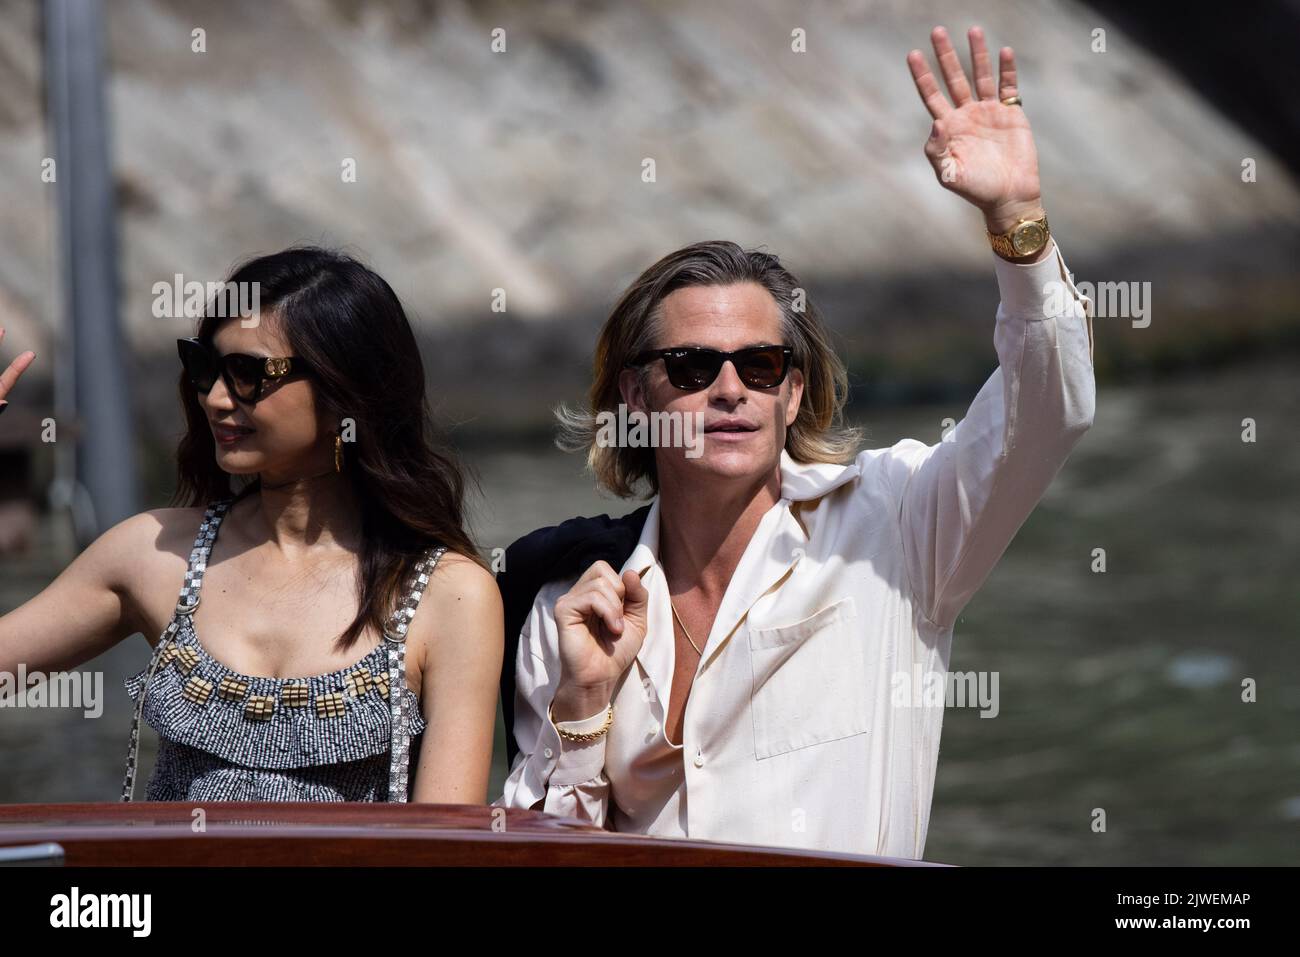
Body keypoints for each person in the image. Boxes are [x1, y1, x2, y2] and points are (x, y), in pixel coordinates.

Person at [497, 25, 1095, 858]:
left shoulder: (897, 524)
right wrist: (582, 708)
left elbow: (1048, 411)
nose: (730, 388)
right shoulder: (570, 605)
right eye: (692, 366)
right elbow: (543, 853)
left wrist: (1016, 219)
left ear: (793, 392)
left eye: (761, 364)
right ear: (635, 395)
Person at [0, 247, 502, 803]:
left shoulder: (449, 595)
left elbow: (445, 838)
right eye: (205, 367)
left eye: (246, 373)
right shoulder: (152, 553)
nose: (215, 398)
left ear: (345, 393)